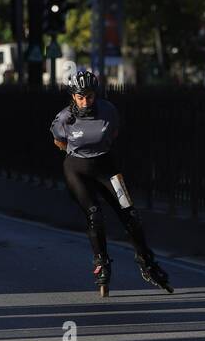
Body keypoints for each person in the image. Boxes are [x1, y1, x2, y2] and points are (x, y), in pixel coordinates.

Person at [50, 67, 172, 296]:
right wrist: (79, 152)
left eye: (90, 96)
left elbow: (113, 134)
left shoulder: (109, 111)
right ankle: (102, 263)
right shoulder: (65, 118)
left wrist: (97, 151)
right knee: (95, 215)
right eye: (80, 97)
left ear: (96, 94)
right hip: (77, 169)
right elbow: (59, 142)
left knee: (130, 213)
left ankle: (147, 262)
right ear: (73, 96)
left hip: (106, 167)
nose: (86, 101)